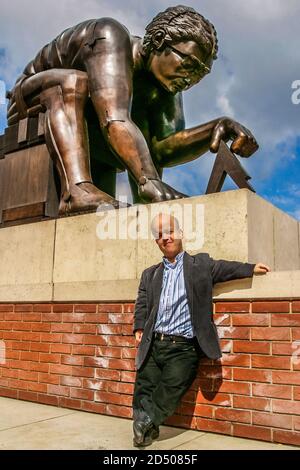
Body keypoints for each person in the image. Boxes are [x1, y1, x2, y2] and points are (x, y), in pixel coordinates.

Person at [7, 5, 258, 214]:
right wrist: (148, 180)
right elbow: (114, 118)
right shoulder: (110, 36)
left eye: (201, 73)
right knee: (74, 82)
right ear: (159, 41)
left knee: (140, 131)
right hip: (28, 103)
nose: (192, 79)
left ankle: (104, 192)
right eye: (190, 64)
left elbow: (162, 149)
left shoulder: (166, 85)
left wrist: (215, 128)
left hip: (88, 123)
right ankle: (76, 191)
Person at [132, 213, 270, 447]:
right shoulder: (150, 273)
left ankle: (145, 422)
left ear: (181, 234)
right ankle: (145, 432)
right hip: (154, 341)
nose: (166, 238)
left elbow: (225, 268)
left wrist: (250, 268)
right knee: (144, 386)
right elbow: (143, 301)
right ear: (156, 241)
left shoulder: (200, 265)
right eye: (159, 235)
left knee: (173, 386)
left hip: (183, 347)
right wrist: (138, 326)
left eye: (170, 231)